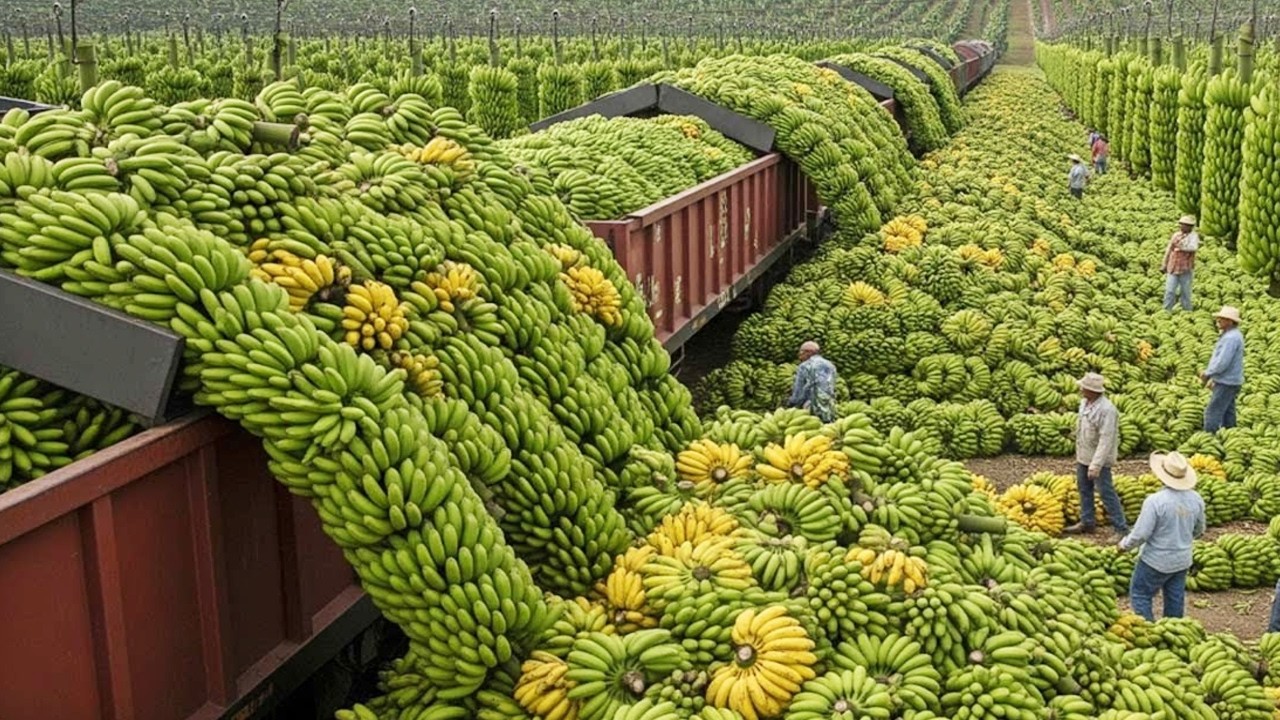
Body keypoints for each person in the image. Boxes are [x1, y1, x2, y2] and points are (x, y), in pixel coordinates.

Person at [1119, 451, 1206, 621]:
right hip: (1182, 559)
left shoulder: (1155, 501)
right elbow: (1199, 530)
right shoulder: (1196, 499)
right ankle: (1174, 630)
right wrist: (1183, 537)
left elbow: (1141, 534)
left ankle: (1147, 630)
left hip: (1156, 559)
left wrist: (1124, 545)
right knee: (1175, 597)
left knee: (1140, 593)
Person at [1065, 372, 1129, 535]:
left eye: (1084, 387)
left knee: (1106, 492)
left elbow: (1106, 439)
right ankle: (1087, 522)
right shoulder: (1084, 403)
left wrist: (1096, 465)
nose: (1081, 389)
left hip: (1099, 458)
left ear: (1093, 391)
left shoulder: (1107, 410)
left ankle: (1121, 528)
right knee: (1084, 489)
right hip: (1084, 455)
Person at [1201, 306, 1244, 432]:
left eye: (1222, 319)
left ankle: (1209, 439)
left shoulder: (1231, 338)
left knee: (1212, 411)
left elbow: (1222, 362)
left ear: (1230, 322)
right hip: (1230, 380)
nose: (1218, 320)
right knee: (1228, 411)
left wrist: (1208, 373)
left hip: (1226, 381)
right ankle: (1231, 434)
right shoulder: (1231, 335)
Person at [786, 341, 837, 423]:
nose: (800, 355)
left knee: (812, 432)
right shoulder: (831, 365)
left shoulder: (805, 366)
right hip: (829, 406)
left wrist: (792, 403)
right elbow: (832, 386)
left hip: (810, 407)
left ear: (808, 352)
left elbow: (799, 391)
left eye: (801, 352)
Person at [1161, 215, 1200, 312]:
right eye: (1181, 225)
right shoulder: (1176, 235)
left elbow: (1193, 247)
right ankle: (1166, 311)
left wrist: (1180, 246)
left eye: (1185, 225)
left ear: (1190, 227)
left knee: (1185, 292)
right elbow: (1169, 249)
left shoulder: (1193, 236)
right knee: (1169, 291)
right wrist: (1164, 263)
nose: (1182, 227)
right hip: (1173, 267)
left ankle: (1187, 311)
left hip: (1185, 269)